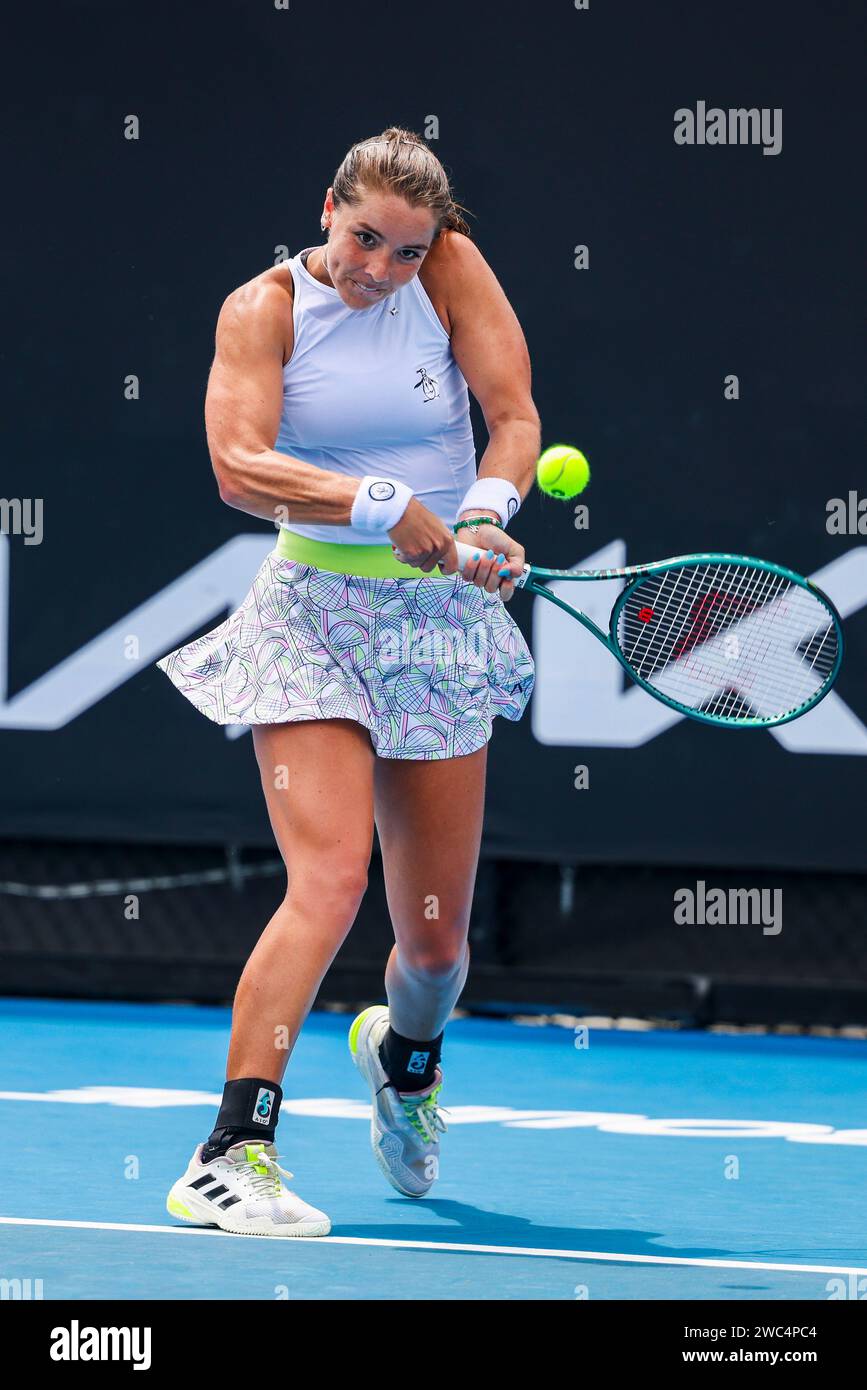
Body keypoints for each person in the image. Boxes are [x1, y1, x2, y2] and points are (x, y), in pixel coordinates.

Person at [158, 126, 540, 1237]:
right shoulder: (261, 309)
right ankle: (232, 1153)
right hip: (312, 616)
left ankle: (405, 1056)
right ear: (327, 209)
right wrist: (381, 506)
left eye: (406, 253)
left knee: (432, 948)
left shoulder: (453, 270)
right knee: (327, 879)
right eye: (365, 238)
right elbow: (239, 466)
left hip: (439, 622)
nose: (381, 269)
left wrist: (482, 511)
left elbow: (511, 420)